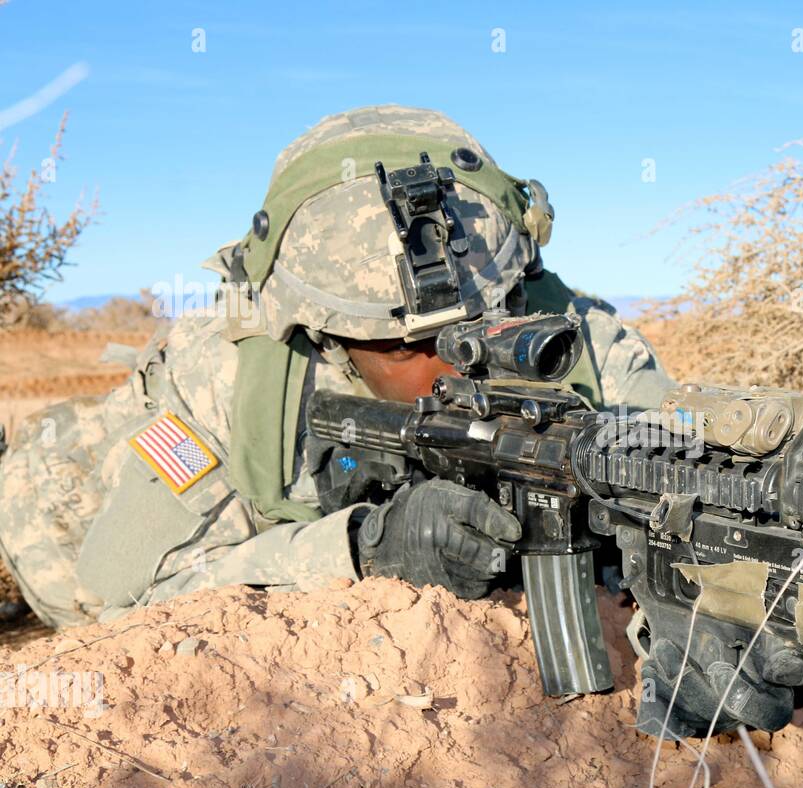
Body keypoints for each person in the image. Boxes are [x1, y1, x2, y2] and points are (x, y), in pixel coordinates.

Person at [0, 105, 673, 629]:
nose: (452, 369)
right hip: (53, 517)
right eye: (406, 348)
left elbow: (684, 470)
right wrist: (364, 547)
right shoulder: (231, 373)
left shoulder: (582, 345)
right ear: (327, 334)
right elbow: (131, 599)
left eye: (476, 331)